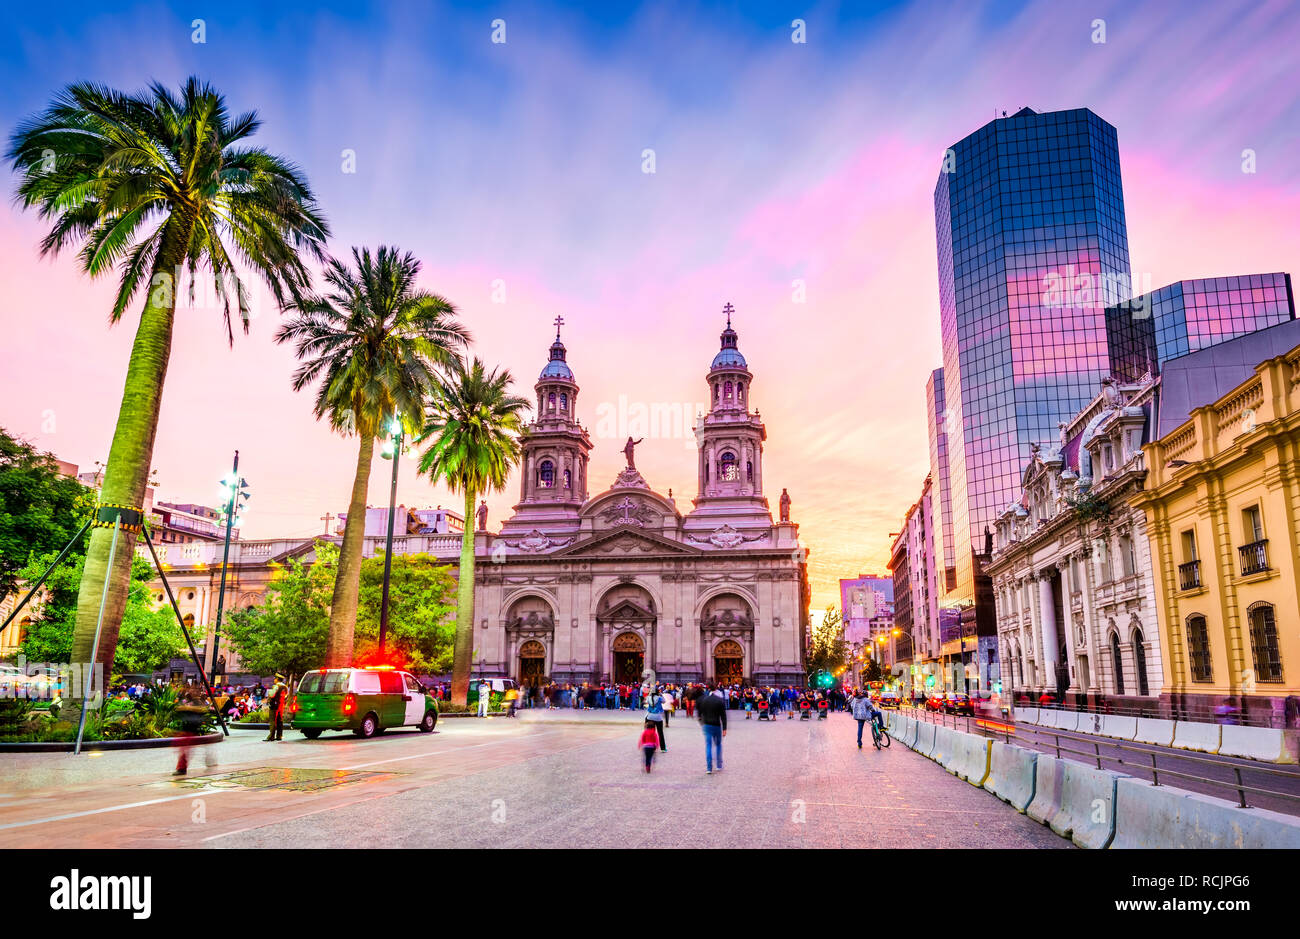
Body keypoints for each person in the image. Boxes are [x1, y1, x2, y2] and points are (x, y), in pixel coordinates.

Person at [696, 683, 727, 774]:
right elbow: (723, 716)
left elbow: (699, 714)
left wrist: (702, 723)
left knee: (708, 745)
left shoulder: (704, 700)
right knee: (718, 745)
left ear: (708, 689)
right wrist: (724, 728)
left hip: (707, 725)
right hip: (716, 725)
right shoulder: (719, 700)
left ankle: (709, 768)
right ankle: (718, 765)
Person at [264, 673, 288, 741]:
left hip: (274, 706)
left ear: (277, 679)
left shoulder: (276, 686)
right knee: (279, 721)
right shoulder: (285, 687)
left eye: (275, 678)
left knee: (273, 721)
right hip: (281, 706)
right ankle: (279, 736)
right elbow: (286, 696)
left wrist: (269, 692)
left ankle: (271, 736)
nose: (274, 680)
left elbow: (272, 695)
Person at [645, 686, 667, 751]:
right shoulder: (659, 698)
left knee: (651, 732)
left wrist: (650, 694)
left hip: (650, 716)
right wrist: (661, 694)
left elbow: (646, 701)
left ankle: (652, 746)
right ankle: (663, 748)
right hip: (658, 717)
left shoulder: (648, 698)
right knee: (660, 733)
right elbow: (664, 701)